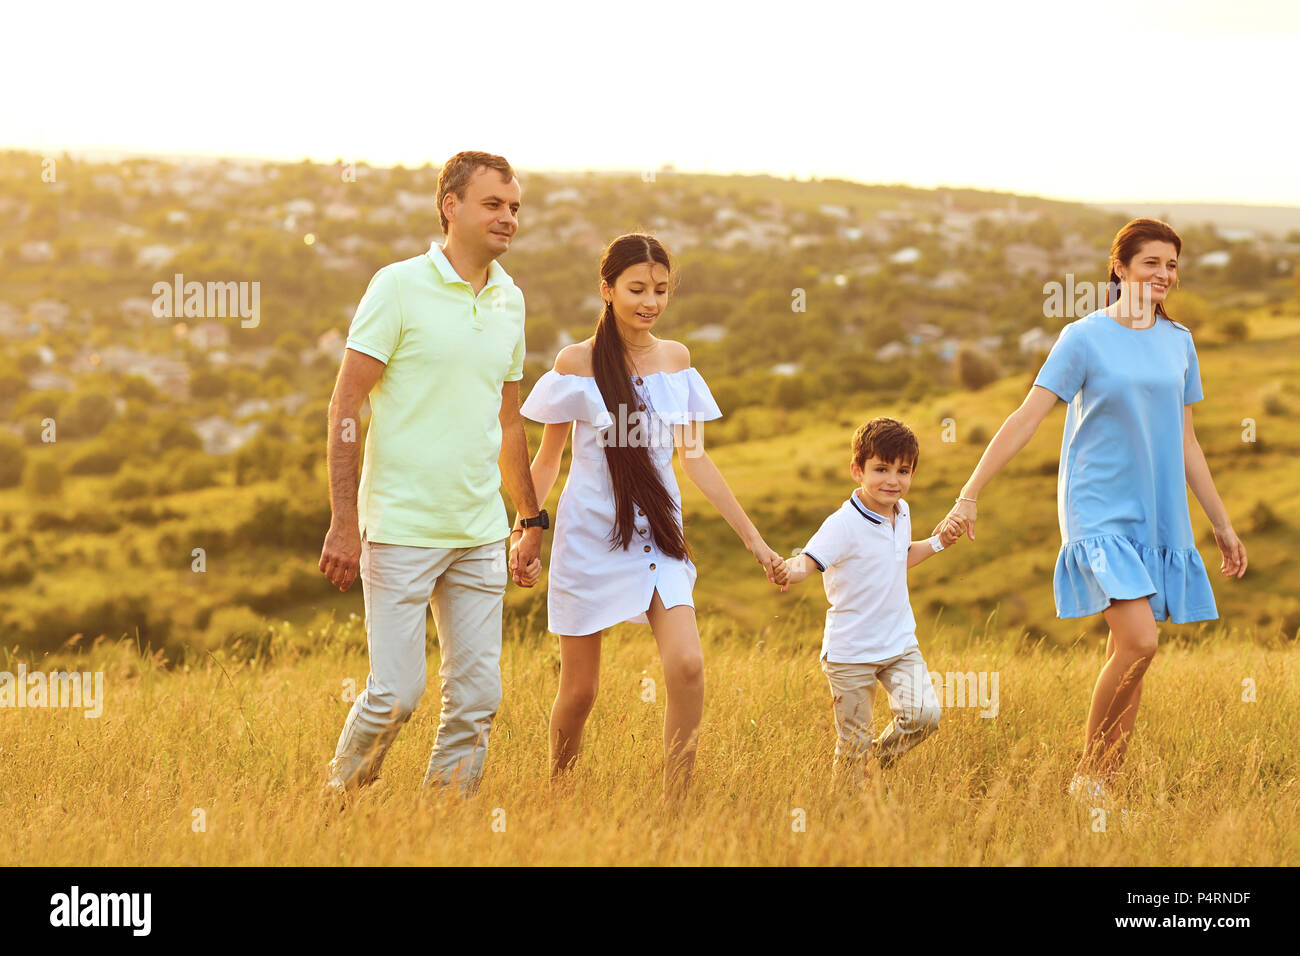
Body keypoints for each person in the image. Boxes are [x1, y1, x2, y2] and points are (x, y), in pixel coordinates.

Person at [934, 218, 1247, 802]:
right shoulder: (1083, 337)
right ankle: (1085, 779)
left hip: (1157, 510)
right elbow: (1027, 417)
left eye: (1173, 265)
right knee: (1141, 642)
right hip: (1096, 503)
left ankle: (1105, 789)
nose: (1164, 274)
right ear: (1120, 267)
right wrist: (969, 493)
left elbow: (1187, 442)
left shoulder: (1180, 342)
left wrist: (1221, 525)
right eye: (1152, 262)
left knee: (1130, 655)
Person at [516, 233, 787, 796]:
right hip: (589, 537)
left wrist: (756, 543)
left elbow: (696, 460)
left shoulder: (676, 362)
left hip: (658, 538)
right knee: (581, 691)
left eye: (661, 290)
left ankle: (676, 805)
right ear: (607, 288)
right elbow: (547, 460)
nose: (650, 301)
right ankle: (557, 791)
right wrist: (525, 528)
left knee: (687, 664)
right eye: (637, 288)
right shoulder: (577, 364)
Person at [318, 151, 545, 800]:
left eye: (515, 207)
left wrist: (528, 521)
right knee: (396, 693)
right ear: (452, 206)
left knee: (477, 697)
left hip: (477, 531)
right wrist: (343, 521)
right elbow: (345, 404)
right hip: (400, 527)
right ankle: (340, 800)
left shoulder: (511, 300)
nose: (508, 218)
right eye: (494, 204)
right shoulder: (397, 287)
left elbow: (508, 424)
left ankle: (442, 824)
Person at [780, 417, 966, 784]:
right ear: (857, 470)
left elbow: (901, 556)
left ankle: (879, 760)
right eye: (881, 469)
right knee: (852, 745)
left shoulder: (903, 511)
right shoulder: (842, 524)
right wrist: (787, 569)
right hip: (850, 654)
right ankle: (844, 819)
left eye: (903, 470)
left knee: (925, 715)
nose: (892, 480)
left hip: (899, 644)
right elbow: (808, 562)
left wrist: (941, 541)